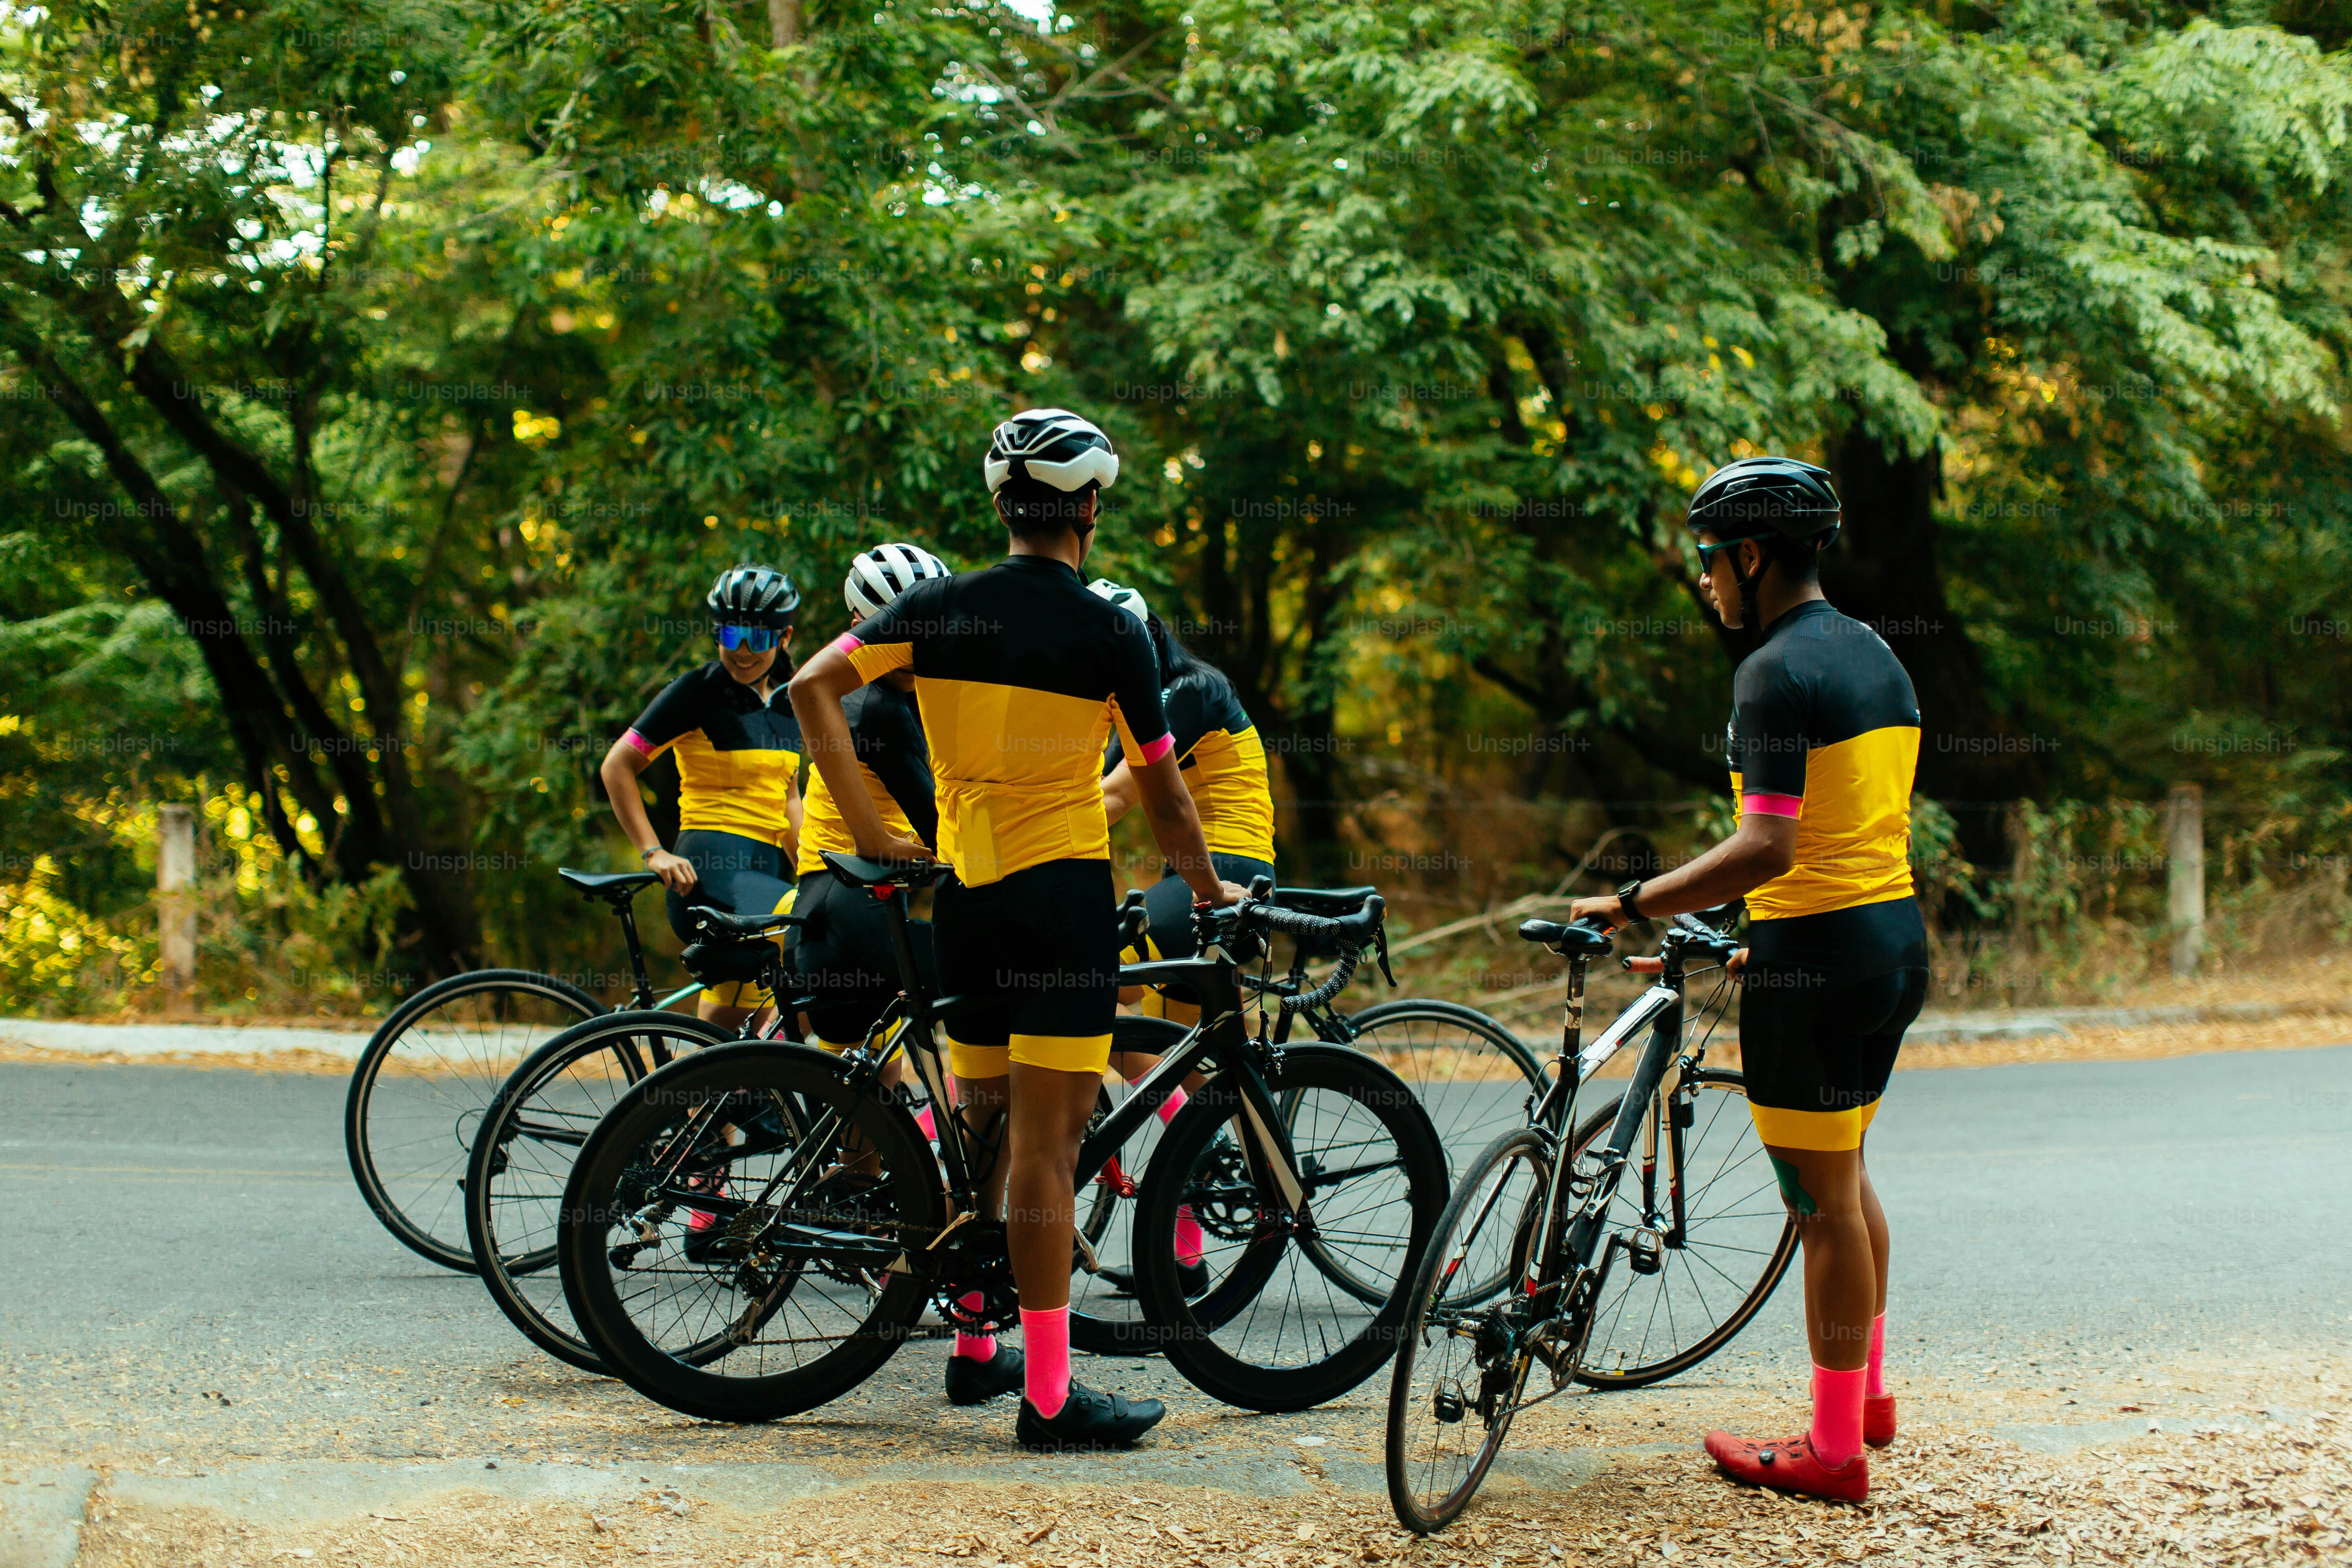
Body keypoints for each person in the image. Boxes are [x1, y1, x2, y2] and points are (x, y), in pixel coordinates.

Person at [789, 408, 1247, 1450]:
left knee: (982, 1136)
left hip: (967, 902)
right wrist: (1211, 889)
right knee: (1045, 1150)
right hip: (1059, 905)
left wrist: (870, 831)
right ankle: (1047, 1396)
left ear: (1002, 505)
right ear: (1089, 510)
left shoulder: (934, 606)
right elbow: (1166, 795)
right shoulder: (1110, 628)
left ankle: (972, 1345)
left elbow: (810, 687)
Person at [1567, 456, 1927, 1505]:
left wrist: (1634, 901)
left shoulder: (1770, 672)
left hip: (1814, 961)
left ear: (1753, 555)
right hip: (1889, 942)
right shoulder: (1875, 654)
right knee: (1846, 1176)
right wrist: (1746, 937)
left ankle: (1833, 1451)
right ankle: (1865, 1400)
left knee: (1819, 1206)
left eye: (1710, 559)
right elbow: (1841, 832)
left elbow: (1768, 846)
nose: (1704, 578)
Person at [1088, 581, 1276, 1298]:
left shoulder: (1190, 691)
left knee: (1098, 992)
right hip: (1194, 876)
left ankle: (1203, 1142)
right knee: (1175, 1055)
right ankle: (1187, 1253)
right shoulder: (1135, 700)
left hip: (1228, 873)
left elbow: (1114, 797)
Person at [599, 563, 806, 1029]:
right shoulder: (698, 690)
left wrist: (813, 871)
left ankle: (725, 1078)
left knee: (724, 1045)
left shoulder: (789, 702)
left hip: (769, 875)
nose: (744, 652)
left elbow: (789, 798)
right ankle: (786, 1061)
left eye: (759, 638)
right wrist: (652, 851)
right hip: (710, 874)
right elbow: (617, 766)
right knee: (819, 931)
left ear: (785, 636)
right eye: (733, 636)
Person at [793, 543, 950, 1052]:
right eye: (896, 631)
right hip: (860, 910)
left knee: (870, 1081)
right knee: (997, 994)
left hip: (819, 904)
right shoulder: (883, 709)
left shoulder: (851, 696)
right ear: (860, 627)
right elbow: (945, 832)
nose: (910, 647)